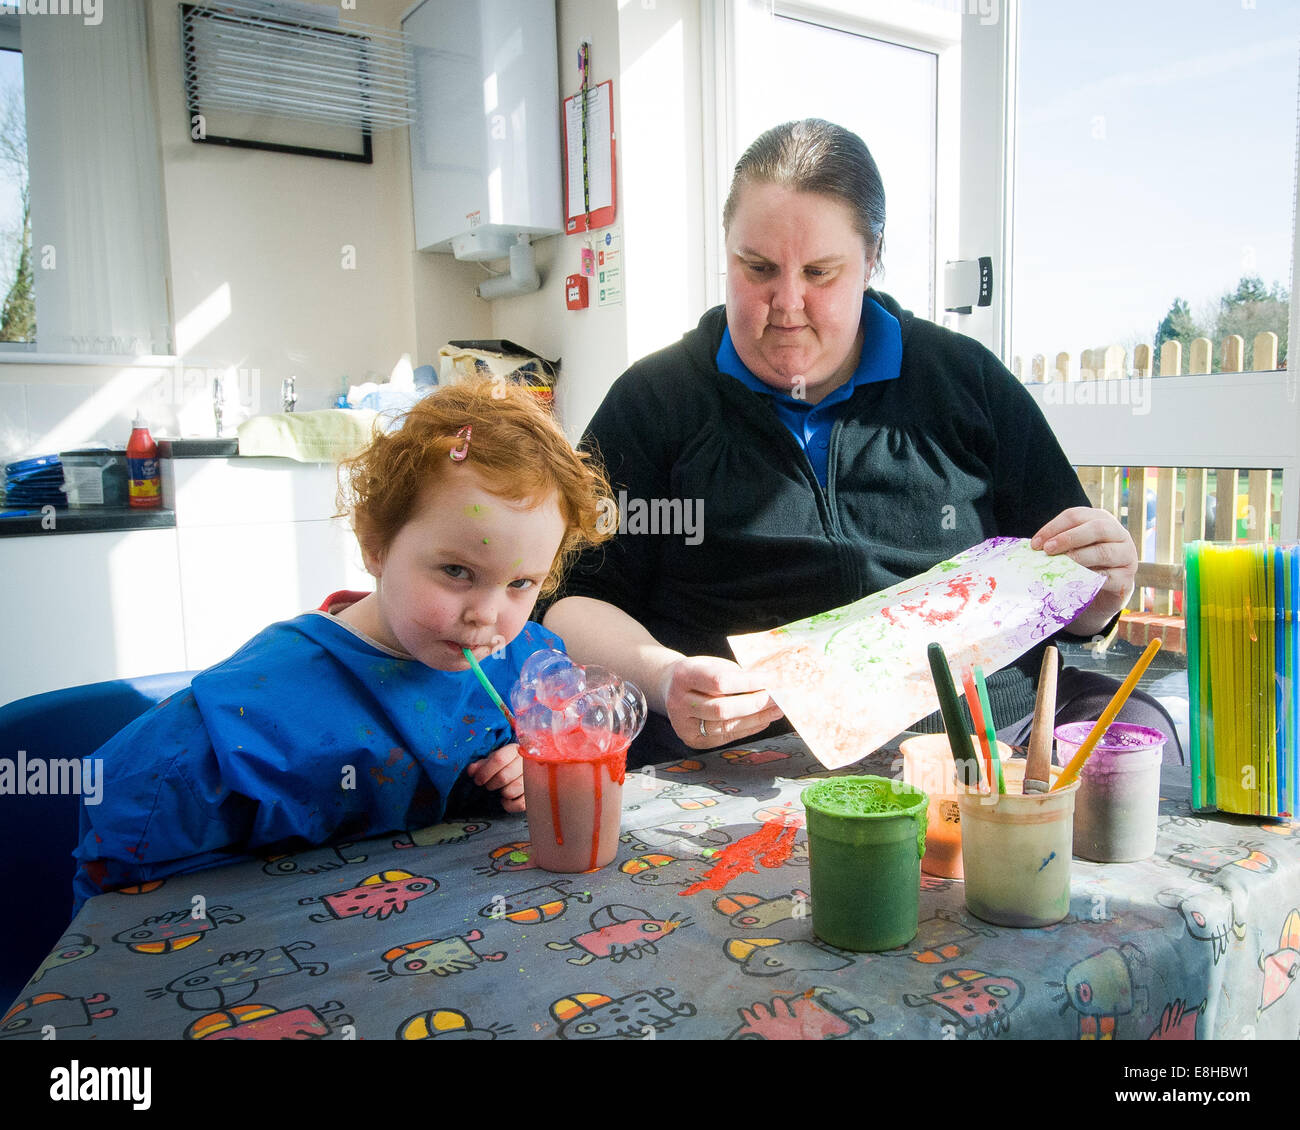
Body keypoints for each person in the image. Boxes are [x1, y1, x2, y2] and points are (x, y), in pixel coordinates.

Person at [543, 118, 1176, 769]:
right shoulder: (656, 401)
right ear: (725, 250)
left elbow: (1069, 584)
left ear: (872, 259)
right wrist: (667, 674)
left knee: (1139, 739)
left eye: (821, 272)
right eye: (756, 267)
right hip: (752, 758)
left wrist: (1103, 590)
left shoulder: (964, 381)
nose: (786, 303)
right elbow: (570, 602)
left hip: (993, 736)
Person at [73, 380, 612, 909]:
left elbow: (555, 730)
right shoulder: (259, 713)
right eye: (456, 571)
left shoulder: (523, 666)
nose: (487, 616)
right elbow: (129, 809)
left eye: (521, 583)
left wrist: (524, 762)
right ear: (374, 545)